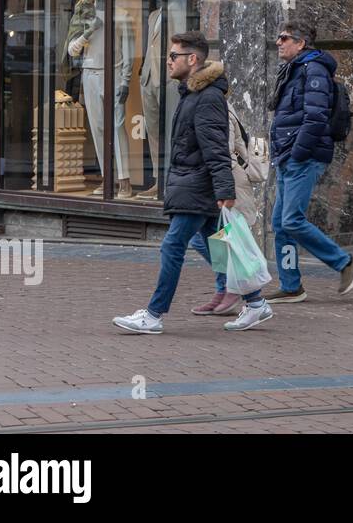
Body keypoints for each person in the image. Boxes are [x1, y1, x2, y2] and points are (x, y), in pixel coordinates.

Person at [112, 32, 272, 334]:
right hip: (196, 184)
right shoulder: (193, 95)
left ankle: (154, 315)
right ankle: (255, 303)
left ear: (192, 59)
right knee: (220, 248)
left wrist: (224, 190)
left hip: (197, 186)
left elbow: (216, 148)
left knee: (172, 246)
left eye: (173, 56)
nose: (168, 61)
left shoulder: (207, 98)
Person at [264, 21, 353, 302]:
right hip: (287, 155)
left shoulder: (314, 69)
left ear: (301, 43)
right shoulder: (294, 69)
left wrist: (298, 153)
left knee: (292, 221)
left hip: (302, 157)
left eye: (284, 38)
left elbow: (316, 116)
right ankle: (291, 285)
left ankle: (345, 263)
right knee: (281, 223)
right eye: (278, 37)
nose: (279, 42)